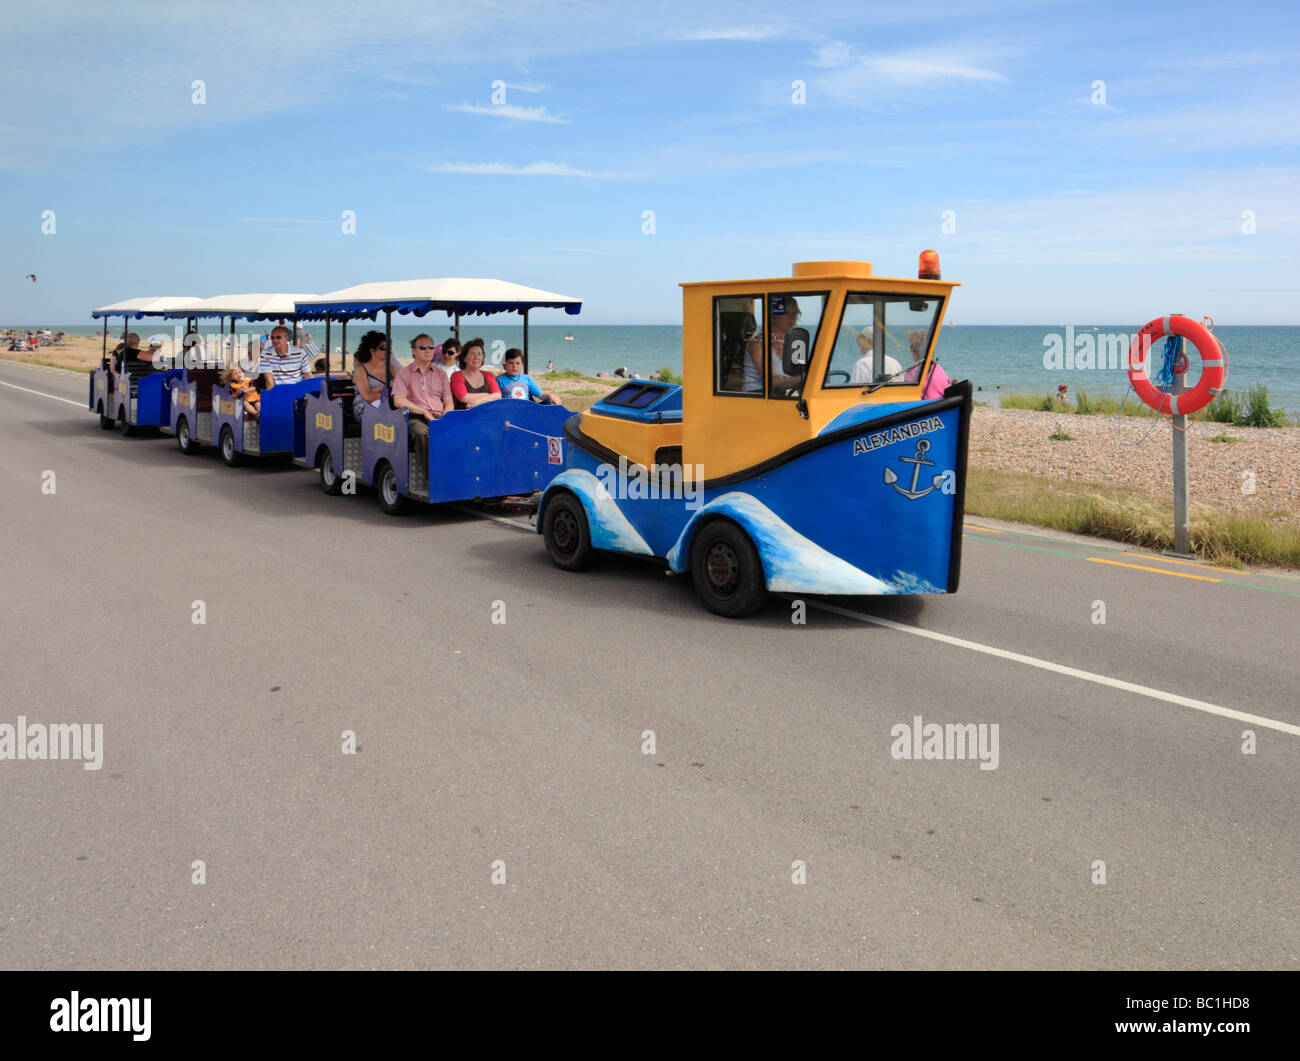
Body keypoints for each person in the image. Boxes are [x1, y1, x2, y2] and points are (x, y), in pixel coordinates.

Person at [392, 332, 454, 460]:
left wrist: (445, 417)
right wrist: (424, 411)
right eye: (423, 347)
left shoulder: (441, 374)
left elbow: (449, 401)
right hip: (415, 416)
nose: (428, 350)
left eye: (431, 347)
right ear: (413, 351)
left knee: (459, 433)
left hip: (439, 415)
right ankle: (431, 477)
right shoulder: (403, 374)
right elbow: (398, 401)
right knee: (422, 433)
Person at [745, 296, 805, 395]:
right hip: (757, 396)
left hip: (780, 393)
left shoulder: (794, 343)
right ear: (773, 315)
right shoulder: (757, 344)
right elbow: (773, 381)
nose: (792, 317)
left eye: (794, 313)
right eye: (786, 313)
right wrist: (806, 377)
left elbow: (799, 373)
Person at [351, 331, 399, 417]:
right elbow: (367, 397)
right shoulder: (361, 370)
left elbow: (400, 389)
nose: (388, 351)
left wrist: (378, 390)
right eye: (383, 348)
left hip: (388, 405)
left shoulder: (390, 368)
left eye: (389, 348)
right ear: (372, 350)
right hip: (364, 407)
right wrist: (388, 393)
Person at [495, 349, 562, 405]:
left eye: (518, 363)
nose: (514, 366)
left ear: (522, 364)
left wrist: (550, 395)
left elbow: (541, 395)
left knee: (550, 401)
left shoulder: (526, 378)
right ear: (504, 365)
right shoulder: (499, 380)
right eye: (510, 363)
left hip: (527, 410)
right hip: (509, 411)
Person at [450, 338, 501, 409]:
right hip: (465, 416)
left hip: (487, 415)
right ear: (464, 358)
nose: (476, 357)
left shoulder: (488, 375)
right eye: (472, 354)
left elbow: (498, 395)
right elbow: (464, 398)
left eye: (479, 354)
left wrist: (477, 402)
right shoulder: (457, 375)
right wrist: (488, 396)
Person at [904, 329, 951, 399]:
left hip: (924, 408)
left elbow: (905, 395)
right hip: (940, 407)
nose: (909, 350)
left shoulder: (913, 373)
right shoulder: (939, 369)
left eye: (911, 346)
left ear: (917, 350)